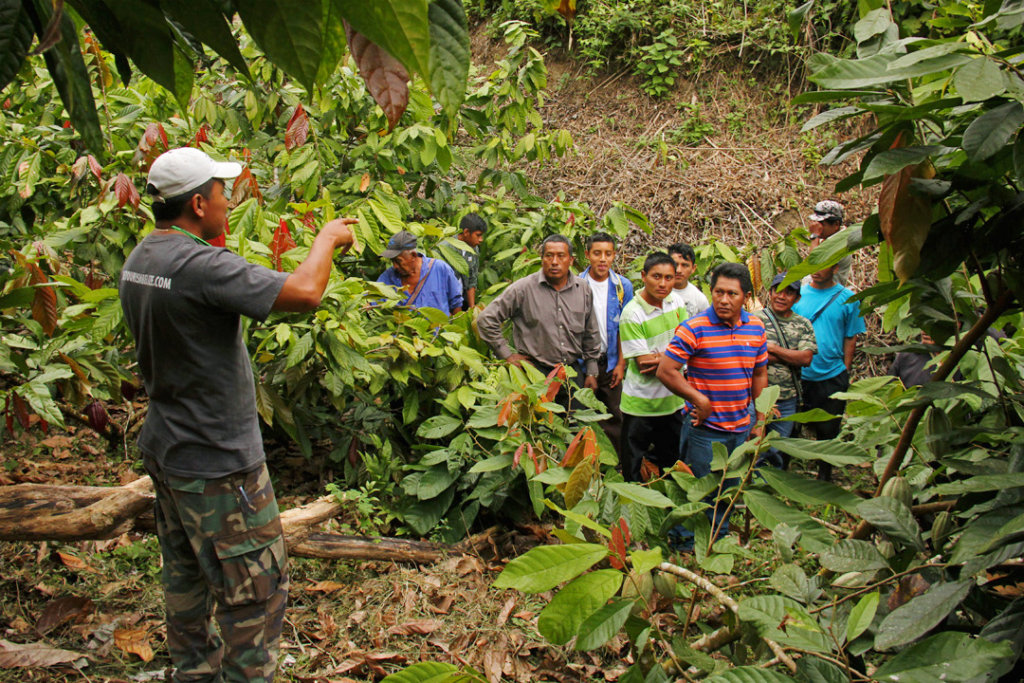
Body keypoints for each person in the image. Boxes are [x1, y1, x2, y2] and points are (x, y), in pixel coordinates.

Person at [119, 147, 357, 682]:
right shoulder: (201, 265)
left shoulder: (143, 260)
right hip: (220, 462)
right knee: (255, 592)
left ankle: (193, 672)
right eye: (223, 193)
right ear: (199, 203)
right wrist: (326, 239)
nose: (231, 200)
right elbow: (304, 293)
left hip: (169, 449)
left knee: (185, 577)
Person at [657, 262, 768, 540]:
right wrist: (698, 399)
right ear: (711, 291)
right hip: (704, 430)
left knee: (728, 488)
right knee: (697, 488)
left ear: (746, 297)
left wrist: (762, 418)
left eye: (732, 294)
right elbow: (666, 370)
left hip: (741, 425)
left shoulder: (755, 328)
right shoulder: (694, 328)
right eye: (719, 292)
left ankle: (717, 539)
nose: (724, 300)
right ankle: (685, 543)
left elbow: (760, 372)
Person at [476, 234, 600, 403]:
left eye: (560, 256)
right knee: (537, 426)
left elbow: (590, 331)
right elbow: (486, 319)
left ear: (570, 260)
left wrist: (592, 370)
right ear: (541, 259)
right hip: (535, 374)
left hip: (571, 373)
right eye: (549, 255)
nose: (554, 261)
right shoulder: (523, 288)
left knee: (575, 425)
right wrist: (507, 354)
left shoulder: (583, 289)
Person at [792, 263, 866, 481]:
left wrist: (845, 369)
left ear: (835, 269)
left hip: (832, 373)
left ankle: (825, 474)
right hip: (801, 374)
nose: (816, 270)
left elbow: (850, 336)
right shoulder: (799, 295)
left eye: (823, 265)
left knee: (829, 427)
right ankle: (790, 471)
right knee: (794, 423)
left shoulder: (849, 299)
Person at [618, 253, 688, 480]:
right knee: (633, 465)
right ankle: (630, 511)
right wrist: (675, 358)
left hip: (673, 400)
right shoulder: (632, 313)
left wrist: (662, 357)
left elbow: (689, 346)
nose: (663, 283)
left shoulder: (676, 302)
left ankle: (670, 509)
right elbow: (645, 364)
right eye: (656, 277)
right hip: (640, 404)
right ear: (643, 276)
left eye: (669, 278)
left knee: (673, 463)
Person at [754, 272, 817, 469]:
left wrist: (771, 348)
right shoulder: (754, 320)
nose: (782, 296)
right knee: (754, 446)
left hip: (787, 397)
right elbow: (749, 357)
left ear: (797, 298)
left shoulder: (803, 325)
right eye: (778, 291)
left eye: (789, 293)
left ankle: (771, 487)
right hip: (755, 396)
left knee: (777, 448)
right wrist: (790, 354)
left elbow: (805, 358)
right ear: (770, 292)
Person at [579, 231, 634, 451]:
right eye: (597, 253)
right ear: (587, 255)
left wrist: (621, 363)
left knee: (614, 416)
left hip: (611, 363)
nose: (603, 259)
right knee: (583, 415)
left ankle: (615, 465)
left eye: (608, 254)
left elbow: (624, 328)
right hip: (583, 363)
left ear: (614, 256)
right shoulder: (577, 285)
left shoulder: (623, 287)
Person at [377, 230, 463, 315]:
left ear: (413, 255)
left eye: (398, 261)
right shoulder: (387, 277)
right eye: (392, 261)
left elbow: (456, 304)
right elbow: (375, 303)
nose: (395, 266)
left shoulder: (440, 269)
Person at [807, 200, 852, 286]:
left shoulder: (841, 243)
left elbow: (816, 265)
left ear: (836, 224)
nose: (817, 227)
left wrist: (814, 236)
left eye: (821, 224)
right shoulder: (826, 238)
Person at [667, 242, 709, 318]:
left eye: (685, 265)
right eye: (675, 264)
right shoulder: (655, 292)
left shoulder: (699, 299)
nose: (679, 270)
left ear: (693, 268)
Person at [453, 213, 486, 308]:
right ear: (466, 232)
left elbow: (472, 279)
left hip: (462, 298)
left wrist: (472, 307)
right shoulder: (446, 248)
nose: (481, 240)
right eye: (478, 235)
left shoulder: (473, 249)